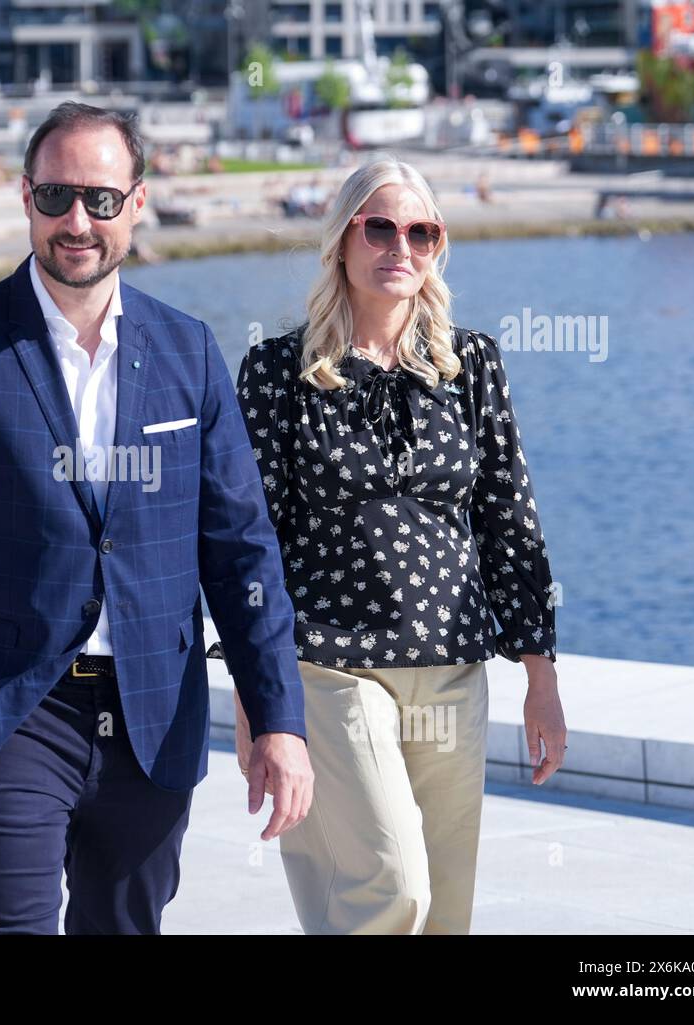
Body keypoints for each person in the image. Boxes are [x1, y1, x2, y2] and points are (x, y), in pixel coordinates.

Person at [0, 101, 313, 935]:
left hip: (154, 718)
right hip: (6, 713)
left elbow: (243, 555)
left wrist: (278, 718)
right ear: (25, 197)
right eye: (57, 196)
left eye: (101, 199)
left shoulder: (189, 351)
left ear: (137, 203)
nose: (78, 220)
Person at [216, 154, 566, 935]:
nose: (398, 246)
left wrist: (540, 677)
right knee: (391, 887)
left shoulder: (471, 365)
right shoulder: (278, 371)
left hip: (451, 669)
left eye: (421, 231)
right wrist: (253, 693)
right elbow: (250, 542)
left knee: (444, 914)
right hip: (329, 668)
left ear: (437, 247)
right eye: (379, 226)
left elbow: (511, 519)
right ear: (342, 239)